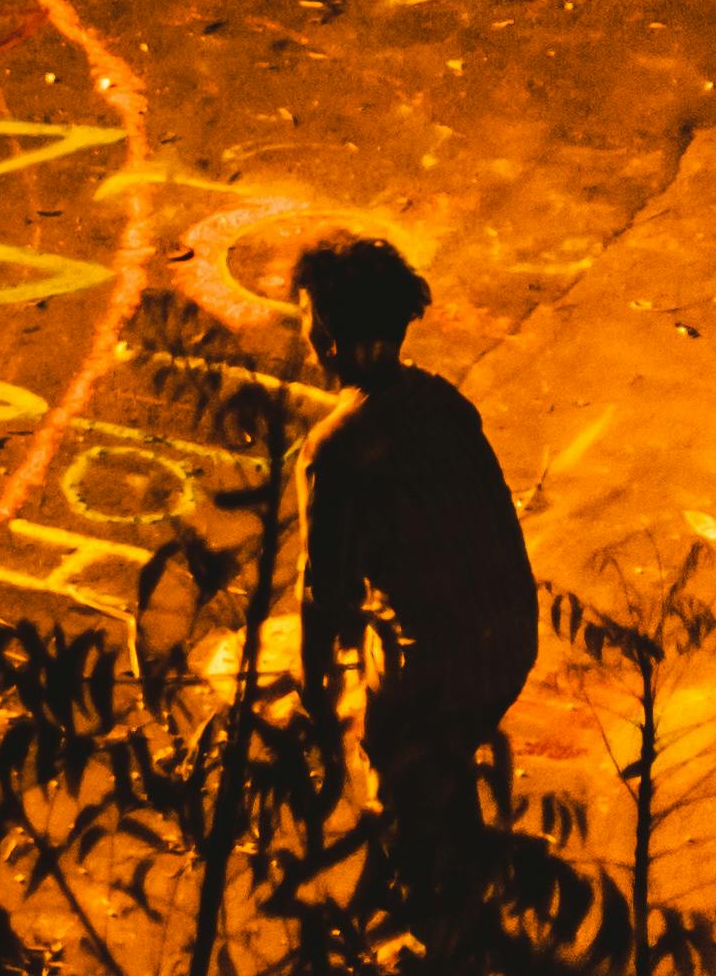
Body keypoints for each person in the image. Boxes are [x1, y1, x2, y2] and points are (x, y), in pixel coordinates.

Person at [294, 235, 538, 931]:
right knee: (440, 761)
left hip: (438, 664)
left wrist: (314, 693)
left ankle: (434, 913)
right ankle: (444, 866)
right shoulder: (442, 400)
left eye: (308, 317)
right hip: (509, 633)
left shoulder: (335, 448)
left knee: (397, 754)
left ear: (330, 336)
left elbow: (325, 592)